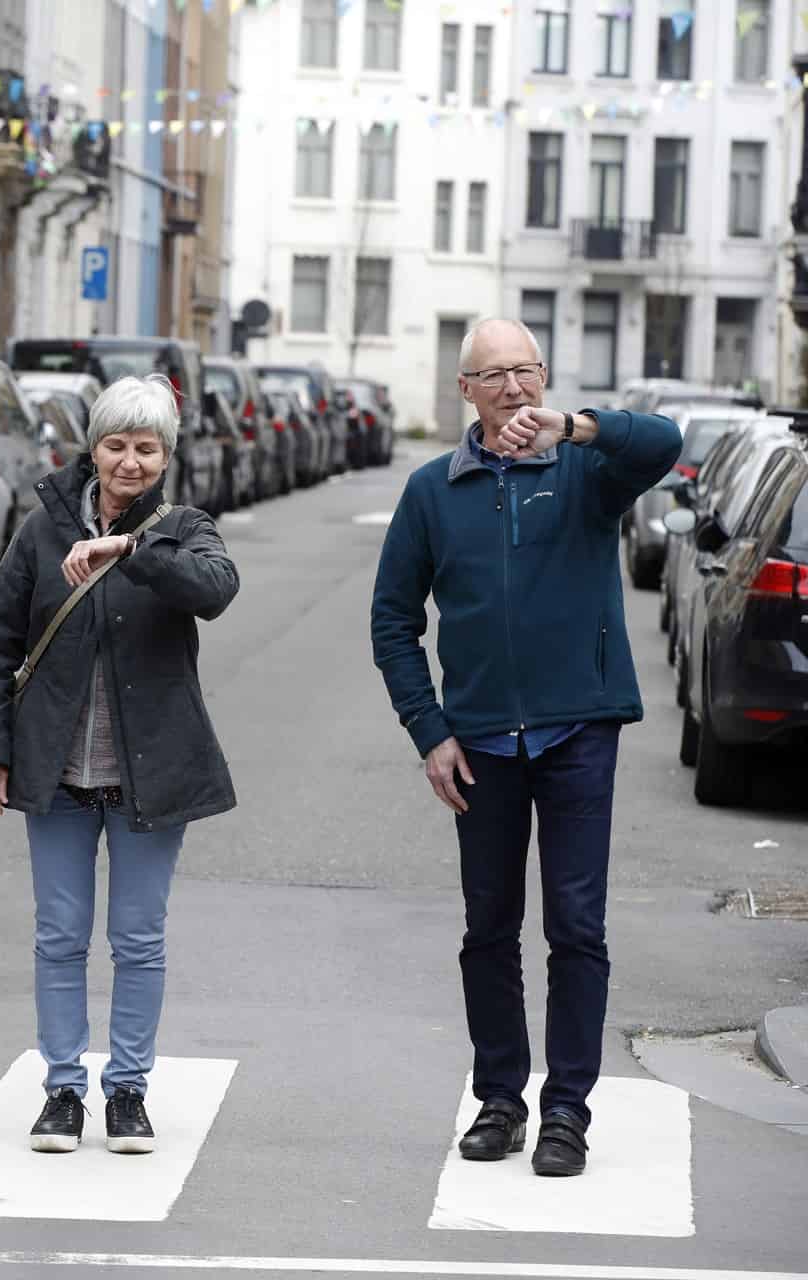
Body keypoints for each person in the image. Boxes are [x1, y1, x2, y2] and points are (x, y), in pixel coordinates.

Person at [370, 318, 680, 1177]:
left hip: (579, 729)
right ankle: (500, 1097)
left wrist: (574, 426)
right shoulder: (435, 490)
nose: (512, 387)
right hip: (480, 747)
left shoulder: (587, 471)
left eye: (525, 371)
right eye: (493, 374)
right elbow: (393, 621)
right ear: (463, 390)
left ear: (543, 377)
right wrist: (429, 731)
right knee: (488, 928)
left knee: (577, 926)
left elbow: (665, 442)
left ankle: (567, 1112)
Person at [0, 375, 240, 1155]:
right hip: (55, 772)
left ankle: (127, 1092)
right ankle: (61, 1091)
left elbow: (215, 589)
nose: (129, 461)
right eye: (116, 444)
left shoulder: (185, 528)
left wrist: (133, 548)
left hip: (153, 774)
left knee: (138, 939)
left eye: (146, 448)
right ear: (93, 448)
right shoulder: (40, 530)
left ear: (166, 456)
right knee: (59, 936)